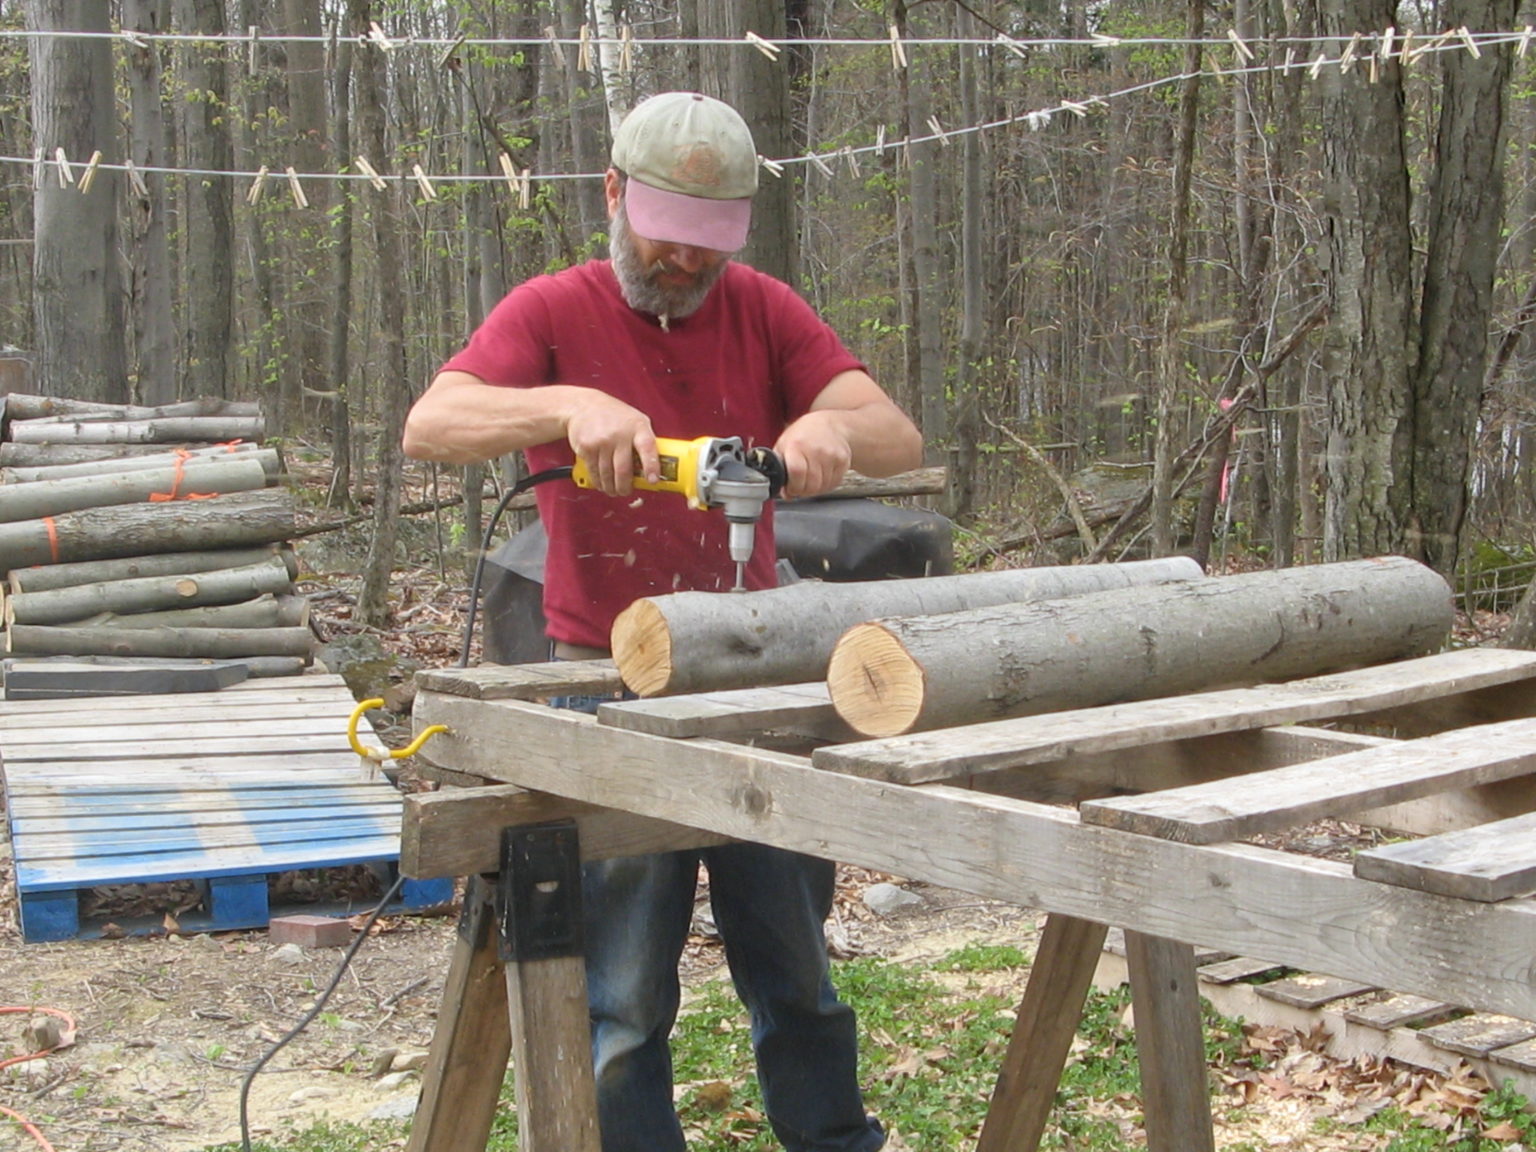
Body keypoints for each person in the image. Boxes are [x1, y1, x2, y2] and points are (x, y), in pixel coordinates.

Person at [403, 91, 923, 1152]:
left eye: (709, 240)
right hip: (603, 678)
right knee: (624, 1000)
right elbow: (432, 424)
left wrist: (829, 429)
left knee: (797, 972)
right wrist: (565, 406)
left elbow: (896, 435)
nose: (685, 261)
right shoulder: (553, 309)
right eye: (667, 234)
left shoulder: (763, 309)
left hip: (752, 679)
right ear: (612, 194)